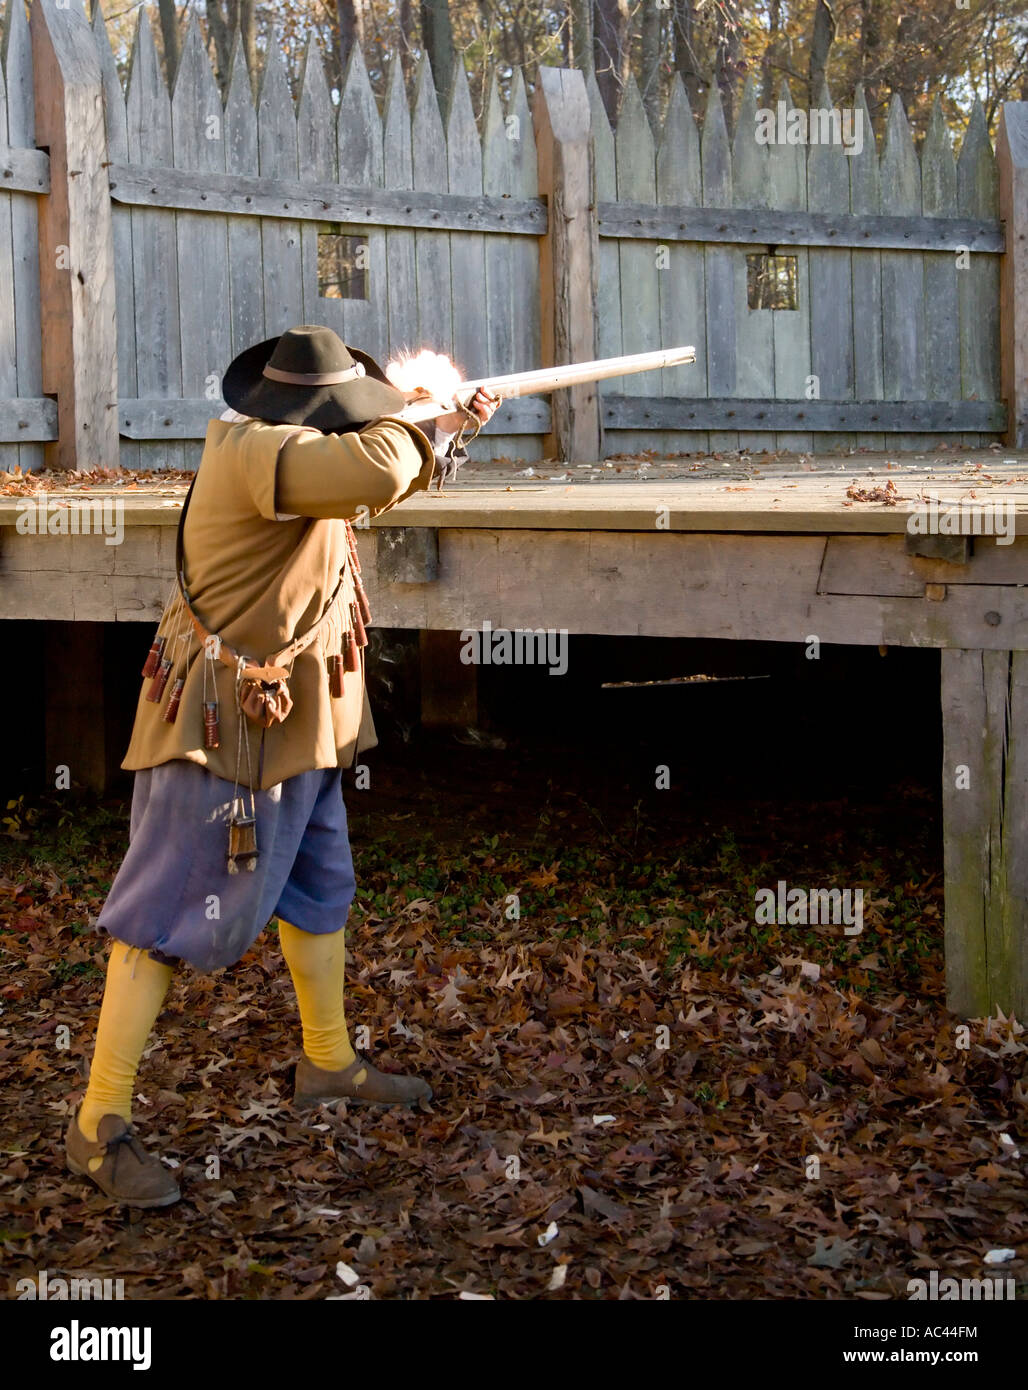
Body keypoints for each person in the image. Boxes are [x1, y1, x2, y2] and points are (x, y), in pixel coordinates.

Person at [65, 325, 498, 1207]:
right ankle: (97, 1123)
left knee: (318, 886)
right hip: (221, 727)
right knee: (160, 914)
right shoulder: (254, 449)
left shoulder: (306, 452)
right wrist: (424, 414)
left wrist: (448, 427)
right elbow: (377, 470)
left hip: (303, 721)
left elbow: (381, 480)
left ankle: (328, 1060)